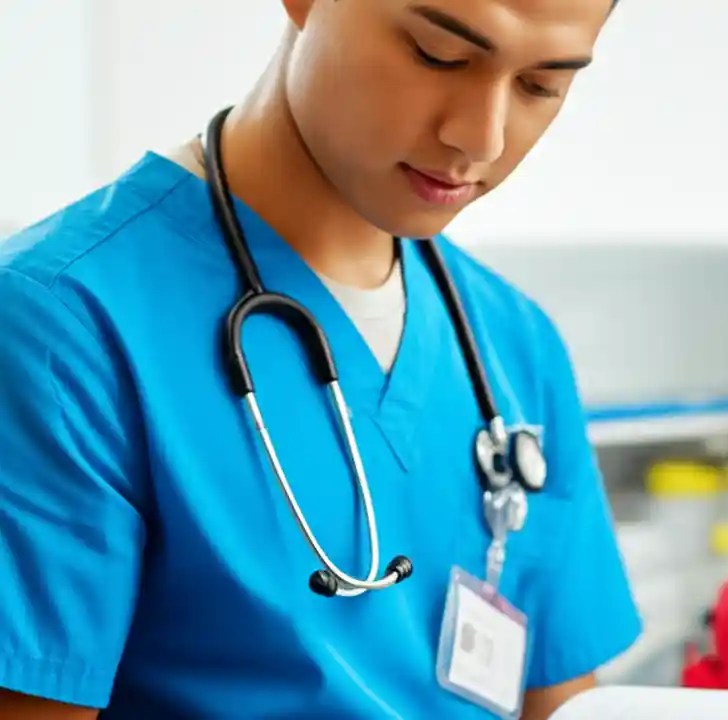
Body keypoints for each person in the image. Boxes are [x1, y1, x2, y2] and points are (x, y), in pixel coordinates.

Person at [0, 0, 640, 717]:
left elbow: (561, 701)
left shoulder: (515, 344)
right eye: (438, 55)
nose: (481, 137)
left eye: (540, 86)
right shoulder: (57, 324)